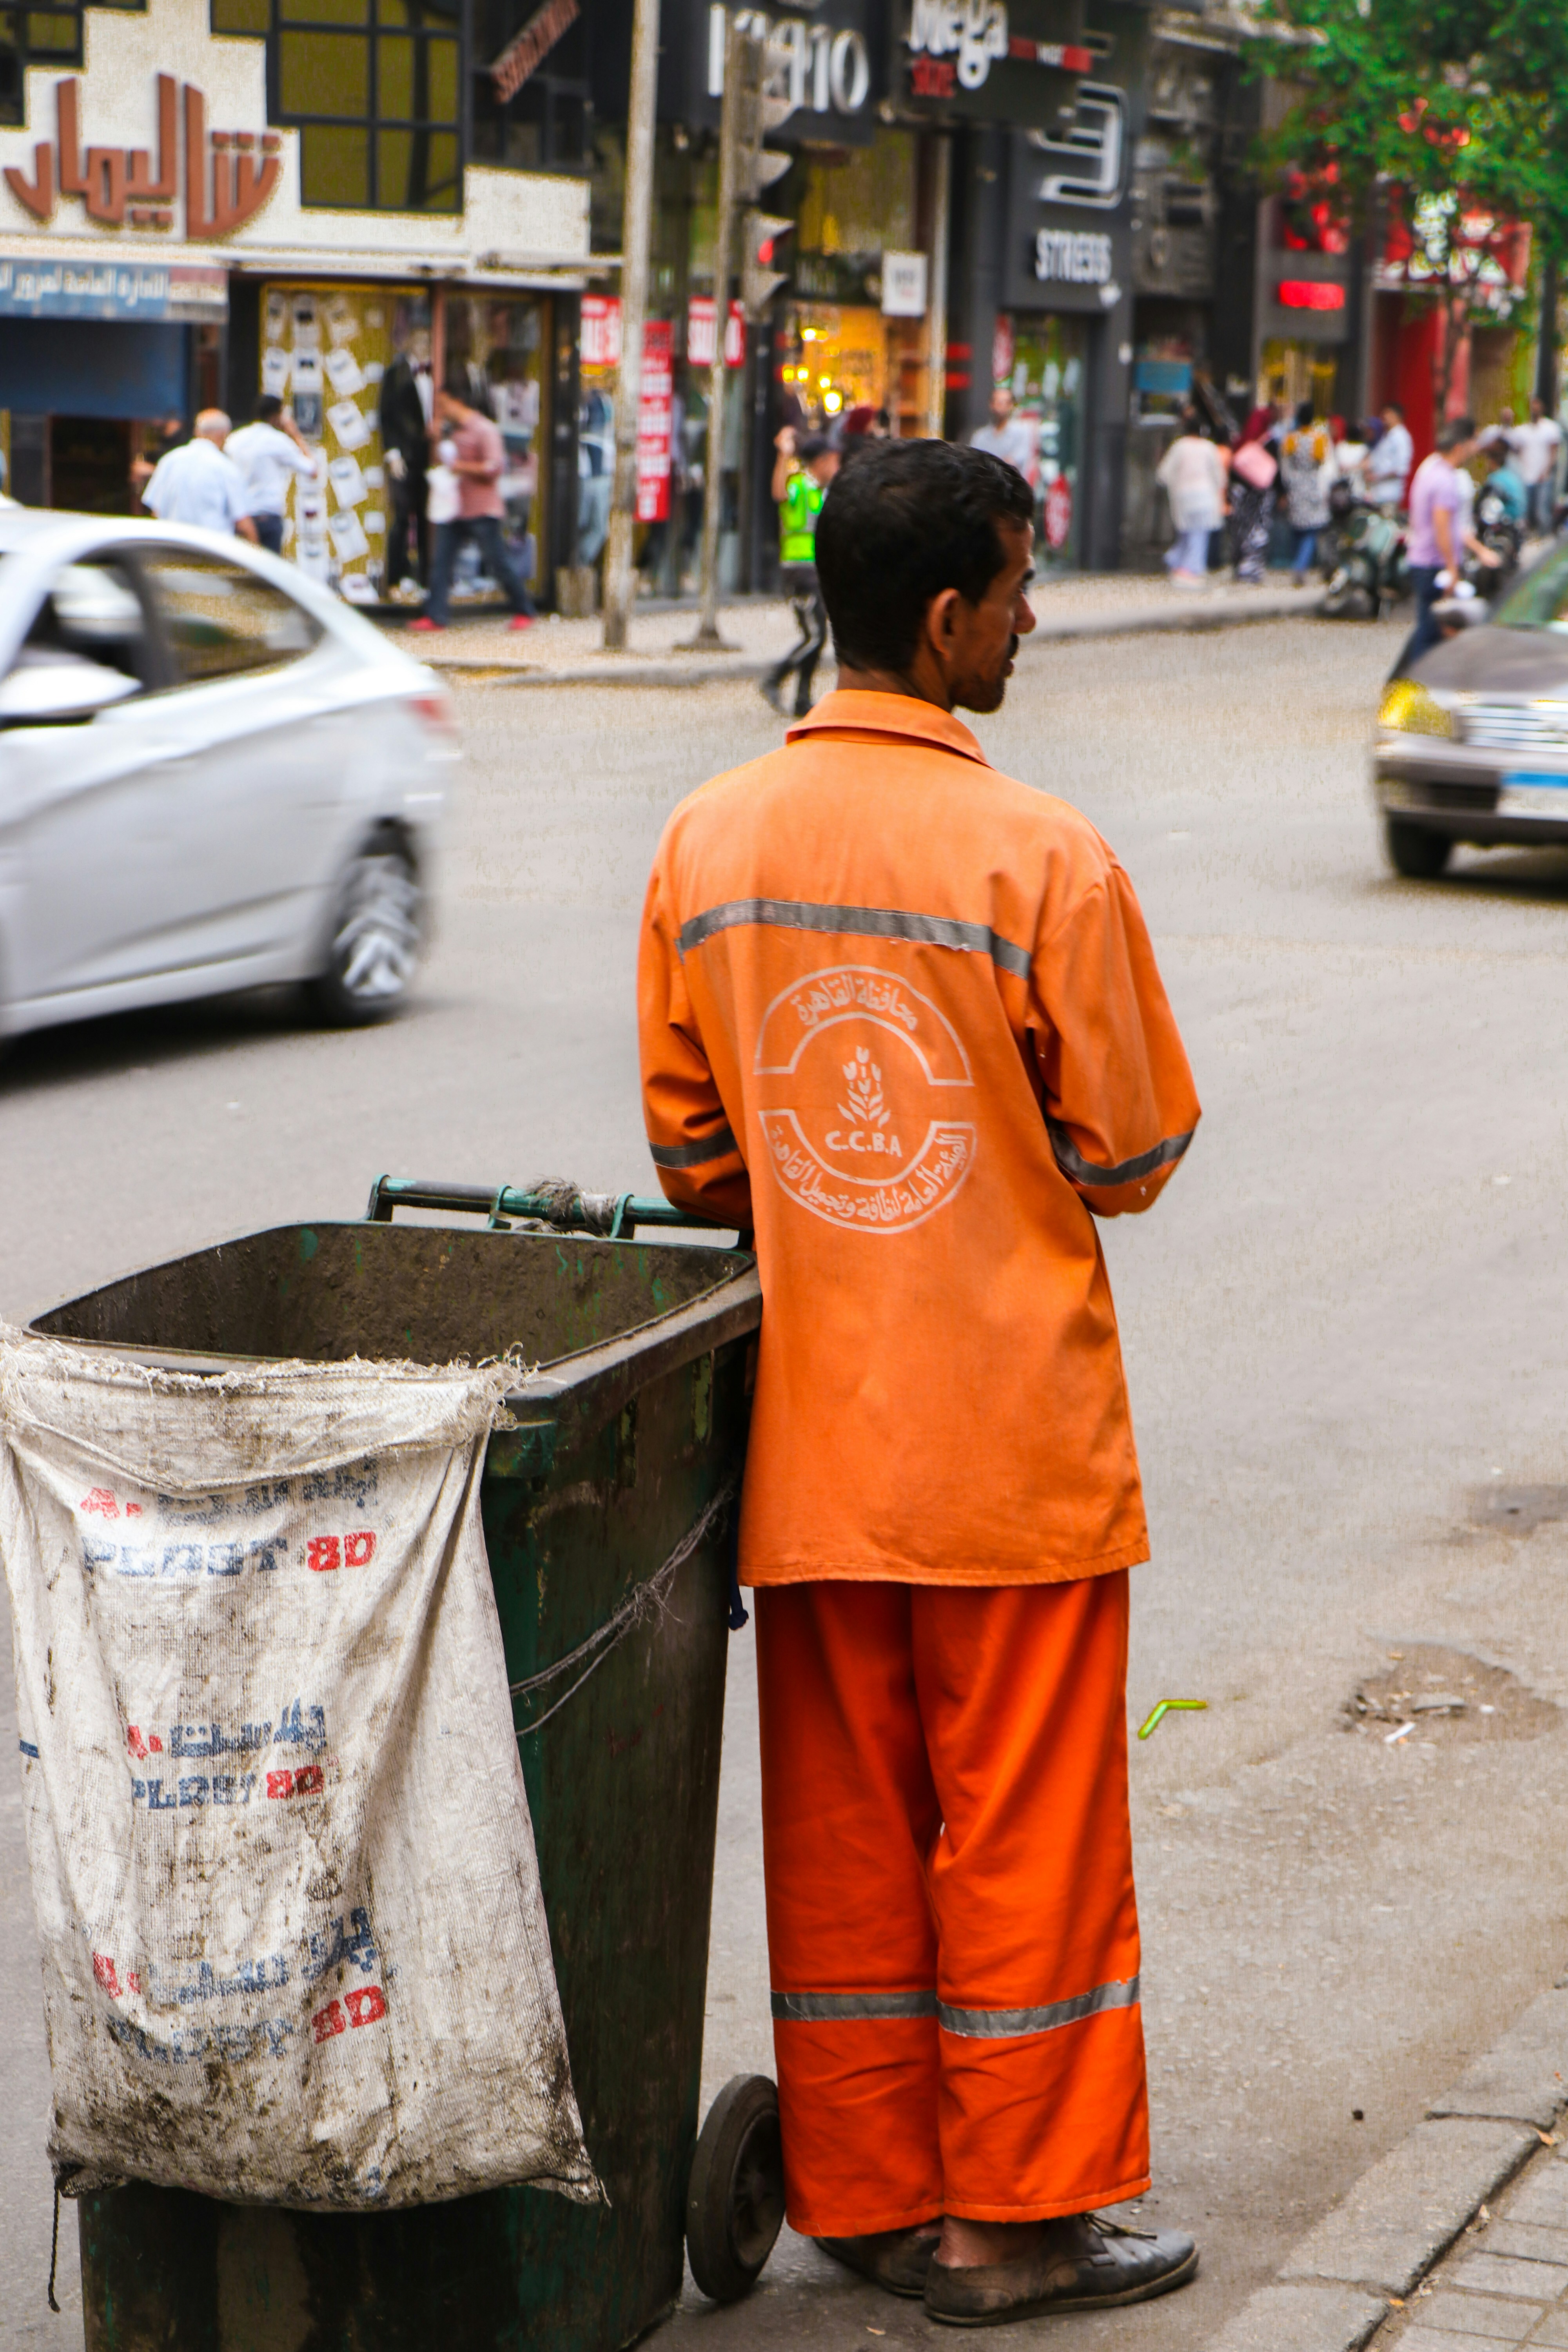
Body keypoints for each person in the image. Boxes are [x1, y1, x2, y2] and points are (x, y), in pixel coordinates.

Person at [638, 437, 1201, 2330]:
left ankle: (872, 2191)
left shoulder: (708, 842)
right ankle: (1013, 2223)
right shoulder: (1040, 854)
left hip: (808, 1451)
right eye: (1022, 590)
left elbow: (698, 1159)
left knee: (851, 1834)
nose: (1034, 619)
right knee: (1021, 1839)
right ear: (948, 617)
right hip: (1008, 1457)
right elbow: (1125, 1151)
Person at [408, 374, 535, 635]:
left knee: (498, 562)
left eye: (444, 404)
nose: (442, 411)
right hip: (457, 508)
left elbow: (495, 467)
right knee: (442, 562)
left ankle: (525, 609)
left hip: (483, 510)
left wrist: (460, 467)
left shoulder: (484, 430)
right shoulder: (454, 432)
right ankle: (436, 616)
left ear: (458, 402)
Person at [1393, 414, 1483, 675]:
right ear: (1460, 447)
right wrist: (1452, 568)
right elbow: (1443, 527)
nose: (1474, 449)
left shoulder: (1430, 471)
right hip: (1434, 564)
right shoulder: (1445, 480)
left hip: (1423, 560)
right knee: (1430, 631)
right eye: (1472, 443)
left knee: (1431, 628)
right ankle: (1413, 685)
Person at [761, 428, 839, 717]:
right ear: (821, 462)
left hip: (810, 568)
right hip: (800, 569)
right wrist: (783, 455)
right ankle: (775, 678)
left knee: (814, 636)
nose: (836, 467)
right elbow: (780, 493)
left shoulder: (817, 490)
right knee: (816, 637)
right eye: (833, 460)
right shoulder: (803, 485)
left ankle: (802, 699)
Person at [378, 327, 435, 597]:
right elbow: (386, 415)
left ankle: (425, 578)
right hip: (404, 456)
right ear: (411, 342)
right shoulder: (395, 374)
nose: (425, 345)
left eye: (429, 341)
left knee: (427, 517)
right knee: (401, 518)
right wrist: (392, 454)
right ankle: (395, 579)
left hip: (430, 457)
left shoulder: (437, 373)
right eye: (421, 339)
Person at [141, 411, 257, 543]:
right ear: (224, 435)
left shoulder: (169, 461)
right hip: (212, 553)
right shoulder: (226, 468)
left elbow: (156, 513)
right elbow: (243, 524)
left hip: (173, 551)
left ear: (197, 432)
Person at [225, 395, 316, 556]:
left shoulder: (235, 439)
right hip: (268, 514)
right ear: (277, 416)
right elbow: (312, 470)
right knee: (269, 571)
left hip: (241, 516)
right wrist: (295, 434)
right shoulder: (277, 441)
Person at [1156, 410, 1226, 584]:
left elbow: (1163, 474)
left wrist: (1175, 485)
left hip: (1183, 497)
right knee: (1199, 535)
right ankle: (1189, 570)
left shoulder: (1180, 446)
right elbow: (1219, 476)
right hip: (1205, 495)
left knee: (1186, 533)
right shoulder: (1209, 447)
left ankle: (1176, 561)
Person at [1278, 401, 1333, 583]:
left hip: (1295, 487)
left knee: (1298, 528)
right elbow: (1322, 463)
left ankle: (1298, 563)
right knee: (1312, 530)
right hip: (1313, 486)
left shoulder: (1290, 439)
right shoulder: (1319, 439)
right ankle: (1301, 566)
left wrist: (1288, 487)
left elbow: (1285, 466)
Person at [1228, 411, 1278, 585]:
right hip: (1261, 496)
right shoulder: (1269, 441)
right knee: (1258, 533)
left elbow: (1233, 470)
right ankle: (1252, 571)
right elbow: (1275, 472)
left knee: (1241, 532)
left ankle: (1240, 568)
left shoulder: (1241, 441)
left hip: (1240, 495)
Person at [1510, 396, 1562, 535]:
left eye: (1537, 405)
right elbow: (1516, 450)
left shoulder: (1550, 428)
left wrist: (1547, 470)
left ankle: (1545, 535)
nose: (1534, 409)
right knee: (1526, 509)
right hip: (1526, 476)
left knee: (1541, 510)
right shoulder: (1523, 431)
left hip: (1543, 476)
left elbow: (1554, 452)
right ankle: (1527, 536)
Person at [969, 385, 1036, 482]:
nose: (1002, 407)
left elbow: (1013, 463)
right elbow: (973, 464)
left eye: (1006, 403)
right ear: (991, 405)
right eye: (998, 402)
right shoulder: (980, 436)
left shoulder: (1022, 432)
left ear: (1011, 405)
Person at [1363, 402, 1413, 512]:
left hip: (1389, 495)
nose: (1384, 417)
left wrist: (1378, 476)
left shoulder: (1401, 437)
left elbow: (1401, 468)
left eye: (1388, 413)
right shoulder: (1387, 436)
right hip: (1378, 494)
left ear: (1396, 416)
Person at [1481, 441, 1528, 526]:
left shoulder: (1496, 479)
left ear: (1491, 461)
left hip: (1509, 517)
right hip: (1521, 517)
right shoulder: (1510, 475)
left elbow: (1491, 500)